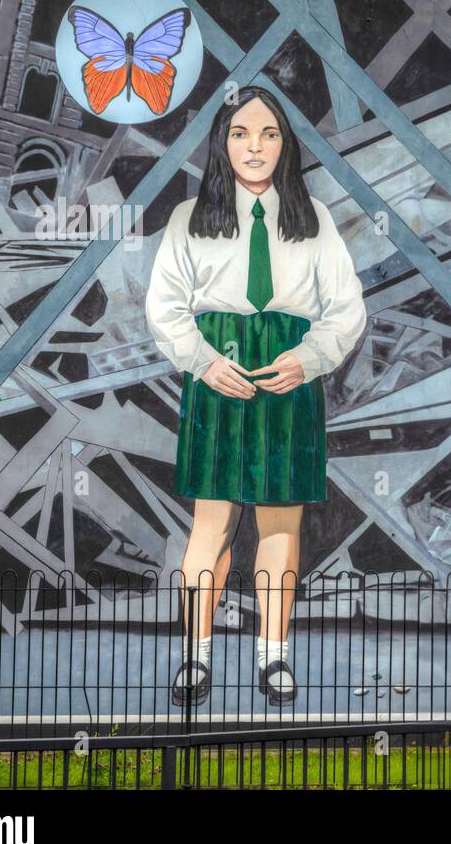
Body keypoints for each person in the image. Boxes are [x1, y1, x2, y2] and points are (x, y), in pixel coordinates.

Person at [147, 86, 367, 708]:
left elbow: (347, 307)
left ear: (285, 144)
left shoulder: (314, 219)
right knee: (210, 525)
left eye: (269, 133)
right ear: (222, 141)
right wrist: (202, 363)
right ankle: (196, 655)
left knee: (280, 522)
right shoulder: (188, 218)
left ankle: (274, 658)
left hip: (286, 374)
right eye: (241, 133)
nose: (255, 146)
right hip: (217, 371)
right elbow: (163, 307)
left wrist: (309, 358)